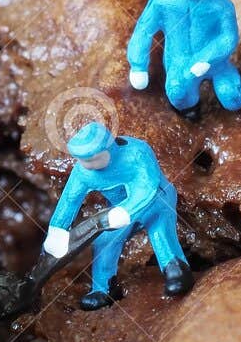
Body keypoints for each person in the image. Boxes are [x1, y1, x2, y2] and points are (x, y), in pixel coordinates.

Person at [42, 122, 192, 309]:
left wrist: (124, 211)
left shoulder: (137, 152)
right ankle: (103, 288)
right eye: (82, 160)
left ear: (108, 148)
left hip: (156, 199)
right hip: (117, 211)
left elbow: (147, 185)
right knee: (105, 241)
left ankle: (177, 270)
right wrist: (57, 230)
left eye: (91, 158)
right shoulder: (83, 172)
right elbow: (69, 201)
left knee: (160, 232)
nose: (86, 165)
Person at [126, 0, 241, 121]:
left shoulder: (220, 6)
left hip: (215, 62)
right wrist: (138, 65)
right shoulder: (163, 0)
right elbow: (144, 30)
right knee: (178, 94)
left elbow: (228, 37)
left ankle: (235, 102)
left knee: (233, 97)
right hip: (179, 62)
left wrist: (206, 59)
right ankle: (192, 114)